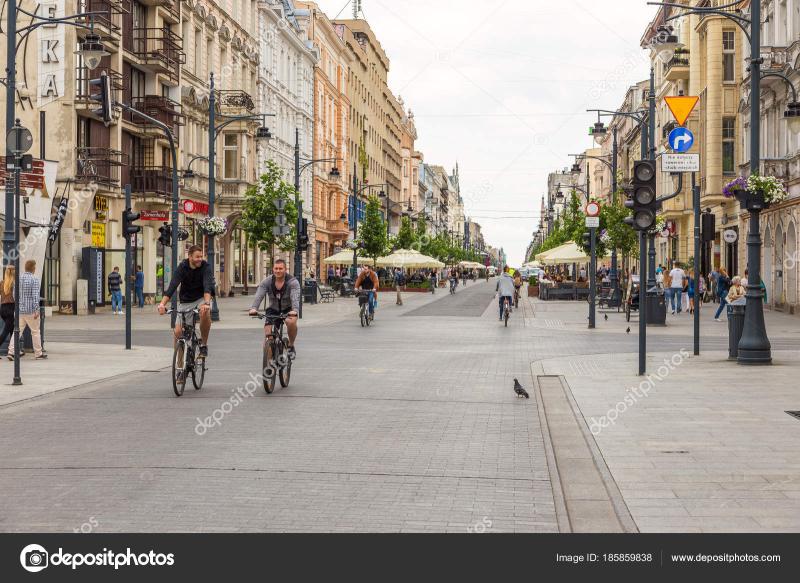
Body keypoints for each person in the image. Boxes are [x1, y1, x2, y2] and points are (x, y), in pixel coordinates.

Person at [158, 245, 215, 360]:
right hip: (185, 301)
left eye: (201, 256)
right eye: (197, 257)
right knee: (178, 332)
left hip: (201, 299)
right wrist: (162, 304)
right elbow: (172, 287)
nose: (200, 259)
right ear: (189, 257)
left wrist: (207, 304)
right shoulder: (182, 267)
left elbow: (207, 287)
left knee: (205, 312)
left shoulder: (206, 267)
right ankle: (179, 369)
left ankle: (203, 345)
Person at [248, 259, 300, 359]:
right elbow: (259, 295)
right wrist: (254, 308)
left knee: (291, 322)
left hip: (288, 310)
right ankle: (268, 363)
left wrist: (295, 310)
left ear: (285, 269)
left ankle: (291, 345)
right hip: (273, 309)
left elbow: (295, 298)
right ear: (273, 269)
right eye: (276, 268)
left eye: (280, 268)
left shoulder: (292, 282)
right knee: (268, 334)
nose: (278, 271)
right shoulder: (266, 282)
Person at [8, 260, 46, 360]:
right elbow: (35, 296)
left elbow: (14, 295)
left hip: (19, 311)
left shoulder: (18, 279)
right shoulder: (34, 279)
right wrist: (37, 310)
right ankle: (38, 353)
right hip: (31, 312)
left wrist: (19, 304)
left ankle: (11, 352)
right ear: (33, 268)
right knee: (35, 332)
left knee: (17, 331)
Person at [0, 266, 15, 352]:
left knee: (12, 330)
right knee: (6, 332)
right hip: (10, 308)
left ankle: (13, 350)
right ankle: (12, 351)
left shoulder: (2, 283)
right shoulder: (14, 283)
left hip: (2, 309)